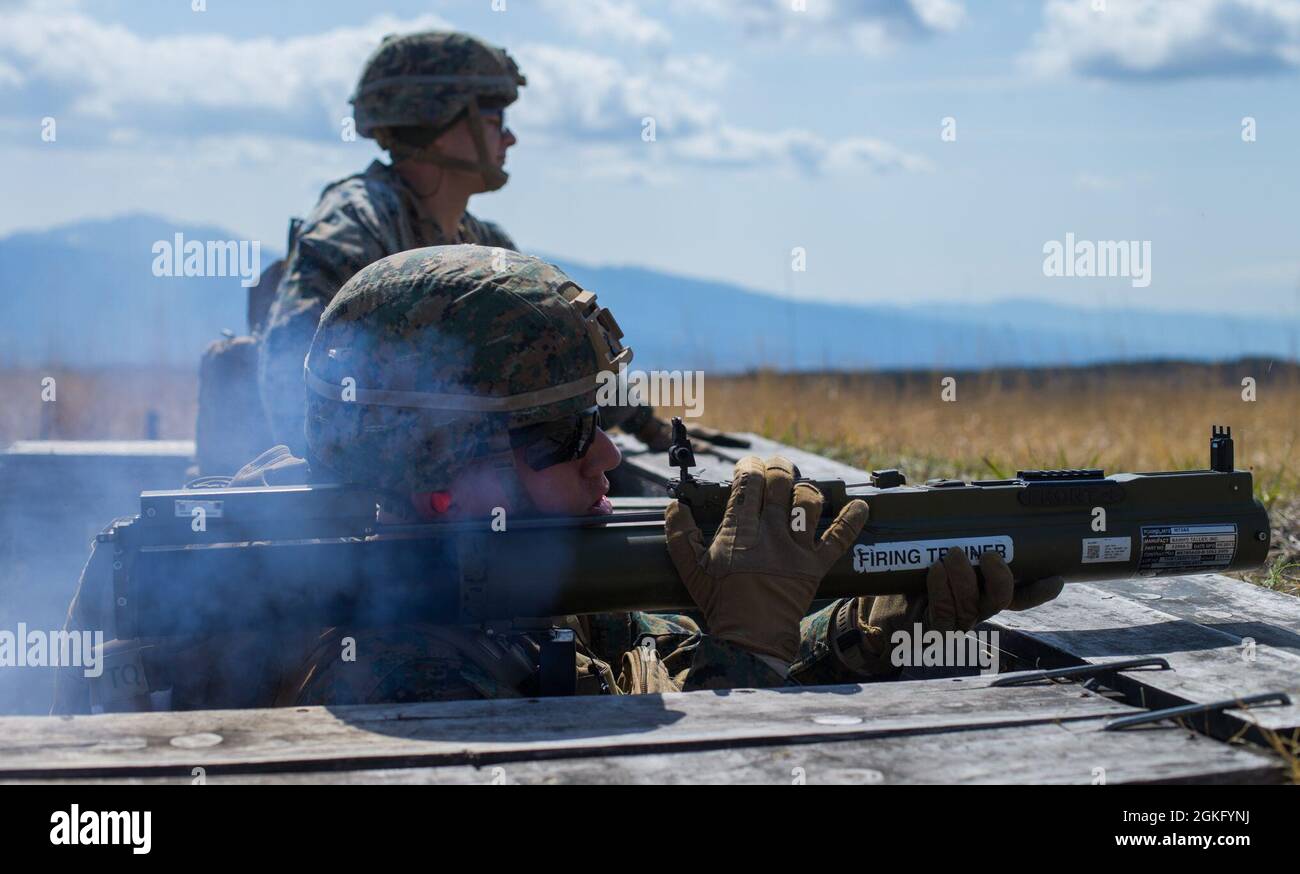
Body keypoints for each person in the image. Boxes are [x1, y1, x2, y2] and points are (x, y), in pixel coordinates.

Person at [53, 247, 1062, 711]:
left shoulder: (499, 564)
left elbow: (649, 662)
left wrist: (863, 631)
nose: (607, 456)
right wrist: (748, 650)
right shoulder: (393, 671)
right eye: (565, 433)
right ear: (440, 471)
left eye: (603, 422)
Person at [257, 30, 525, 456]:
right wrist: (351, 483)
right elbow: (289, 370)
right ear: (436, 124)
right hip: (386, 497)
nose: (509, 139)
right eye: (494, 120)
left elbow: (551, 352)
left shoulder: (485, 244)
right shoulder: (357, 222)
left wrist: (648, 430)